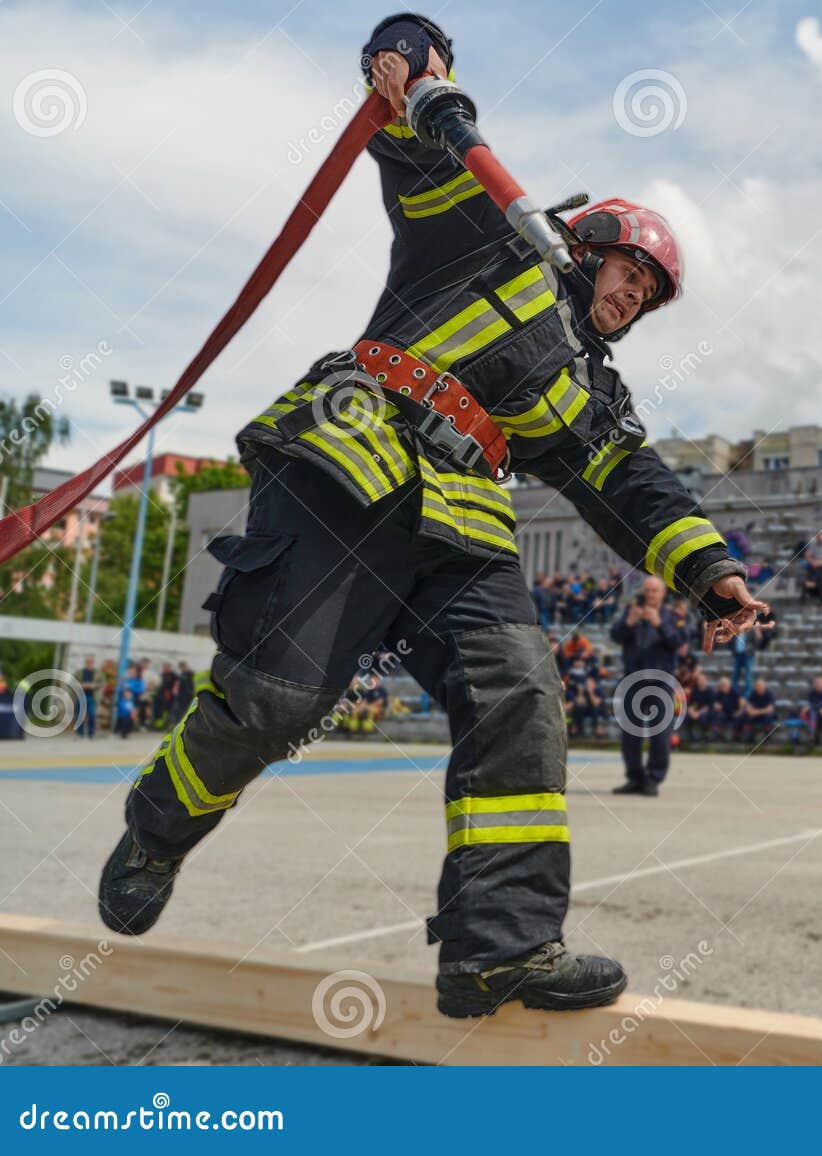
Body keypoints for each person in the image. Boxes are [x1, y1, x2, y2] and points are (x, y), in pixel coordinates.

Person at [98, 14, 766, 1022]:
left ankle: (499, 950)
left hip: (461, 524)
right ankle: (155, 828)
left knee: (520, 701)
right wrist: (413, 53)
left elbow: (634, 485)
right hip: (351, 457)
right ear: (588, 242)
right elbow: (415, 145)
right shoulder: (485, 239)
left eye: (649, 294)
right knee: (277, 699)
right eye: (628, 270)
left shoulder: (595, 398)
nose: (632, 297)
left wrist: (706, 568)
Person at [610, 576, 688, 796]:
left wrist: (659, 624)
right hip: (632, 680)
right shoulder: (631, 612)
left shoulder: (672, 617)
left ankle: (653, 779)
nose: (650, 594)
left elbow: (678, 643)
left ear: (662, 594)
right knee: (630, 734)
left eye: (654, 591)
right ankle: (634, 778)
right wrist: (629, 622)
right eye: (647, 590)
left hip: (661, 681)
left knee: (660, 734)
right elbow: (615, 636)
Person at [740, 678, 778, 742]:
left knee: (768, 716)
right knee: (745, 715)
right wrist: (750, 710)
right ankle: (748, 735)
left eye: (760, 686)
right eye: (757, 686)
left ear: (764, 686)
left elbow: (770, 709)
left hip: (765, 714)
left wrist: (757, 712)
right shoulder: (753, 693)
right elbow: (748, 705)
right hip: (756, 714)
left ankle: (767, 736)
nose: (758, 688)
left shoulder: (769, 694)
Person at [76, 655, 99, 740]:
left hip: (92, 696)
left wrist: (95, 685)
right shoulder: (79, 672)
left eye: (91, 662)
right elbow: (74, 682)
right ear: (85, 663)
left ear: (93, 663)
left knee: (92, 715)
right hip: (81, 696)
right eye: (88, 662)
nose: (89, 664)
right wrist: (82, 685)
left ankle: (91, 733)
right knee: (80, 716)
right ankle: (80, 733)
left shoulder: (97, 673)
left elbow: (102, 683)